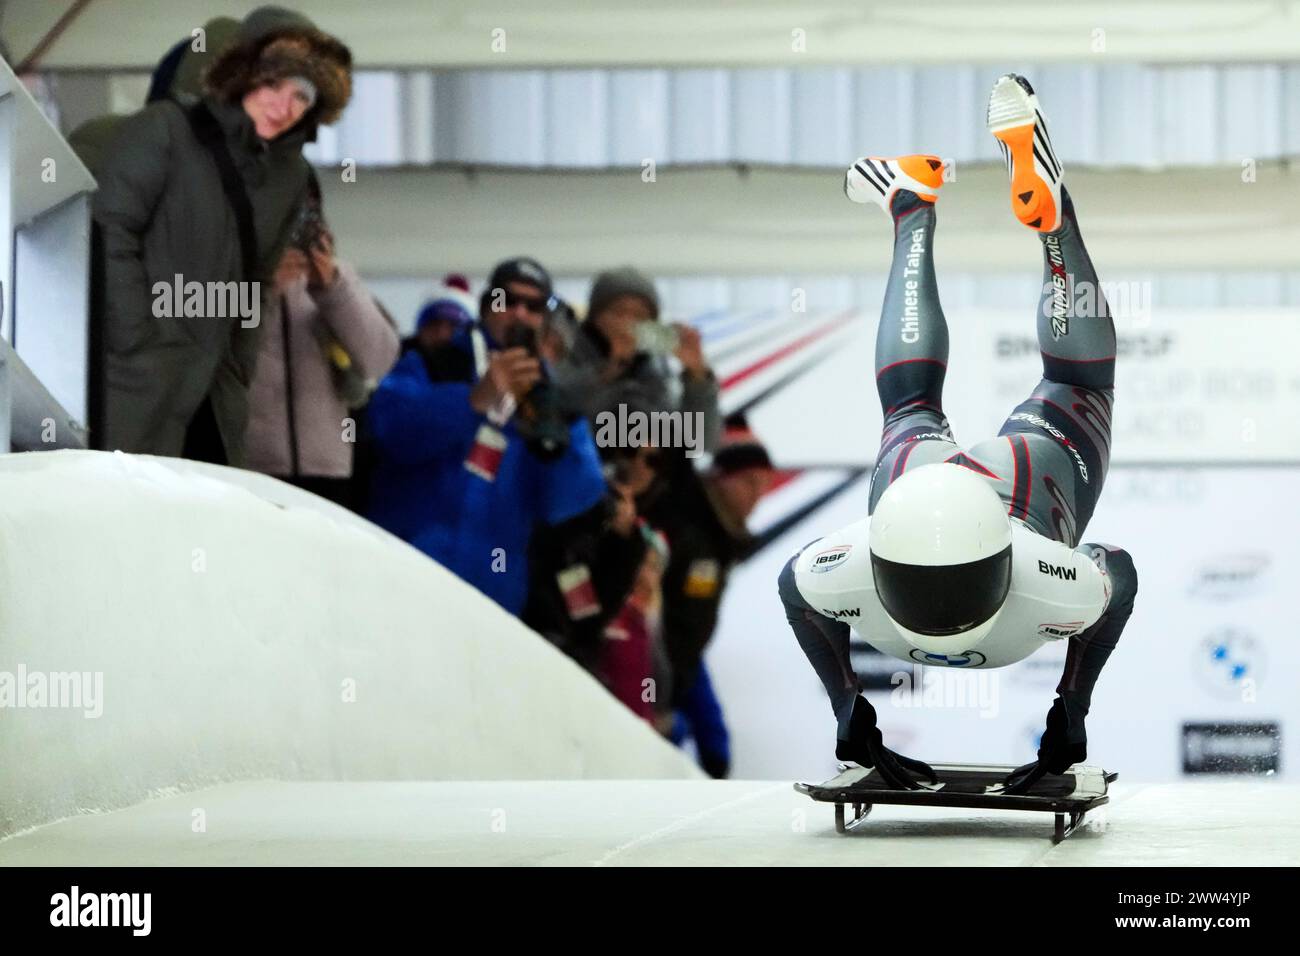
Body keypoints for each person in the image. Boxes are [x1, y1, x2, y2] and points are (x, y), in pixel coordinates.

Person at [777, 75, 1138, 794]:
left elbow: (793, 585)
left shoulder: (841, 571)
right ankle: (964, 211)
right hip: (990, 496)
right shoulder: (1051, 582)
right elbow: (1118, 573)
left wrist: (848, 709)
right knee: (953, 399)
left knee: (960, 398)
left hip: (927, 506)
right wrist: (1073, 711)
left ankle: (918, 202)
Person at [91, 6, 352, 465]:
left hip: (214, 396)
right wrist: (135, 339)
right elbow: (109, 229)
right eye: (273, 84)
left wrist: (238, 365)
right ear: (244, 72)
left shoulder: (289, 176)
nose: (284, 106)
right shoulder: (164, 130)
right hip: (138, 381)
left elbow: (259, 278)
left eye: (302, 97)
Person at [364, 257, 606, 614]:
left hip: (491, 596)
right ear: (486, 306)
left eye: (534, 306)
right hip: (406, 577)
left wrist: (558, 423)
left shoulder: (549, 395)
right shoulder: (432, 362)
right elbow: (389, 432)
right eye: (507, 301)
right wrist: (471, 401)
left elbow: (568, 502)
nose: (519, 313)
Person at [243, 175, 400, 505]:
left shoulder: (337, 278)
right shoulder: (230, 276)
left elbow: (379, 360)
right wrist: (262, 289)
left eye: (305, 213)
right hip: (251, 468)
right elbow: (207, 350)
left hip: (327, 469)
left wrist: (333, 288)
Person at [649, 415, 775, 778]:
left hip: (686, 661)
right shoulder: (687, 525)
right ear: (721, 477)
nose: (757, 495)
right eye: (749, 481)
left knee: (716, 750)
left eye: (764, 483)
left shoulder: (721, 535)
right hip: (657, 662)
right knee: (668, 744)